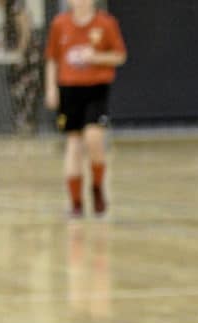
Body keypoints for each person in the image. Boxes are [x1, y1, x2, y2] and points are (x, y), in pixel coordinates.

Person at [44, 0, 126, 218]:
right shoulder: (59, 24)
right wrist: (51, 88)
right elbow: (52, 59)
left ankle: (97, 187)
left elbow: (119, 56)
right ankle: (75, 203)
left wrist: (95, 57)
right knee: (73, 144)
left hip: (96, 89)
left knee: (93, 139)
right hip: (69, 90)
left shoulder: (106, 23)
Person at [0, 0, 44, 134]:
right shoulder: (8, 10)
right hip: (17, 60)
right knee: (18, 92)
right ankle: (22, 125)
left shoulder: (17, 6)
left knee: (27, 92)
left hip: (27, 60)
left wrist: (20, 52)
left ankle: (27, 125)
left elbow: (25, 30)